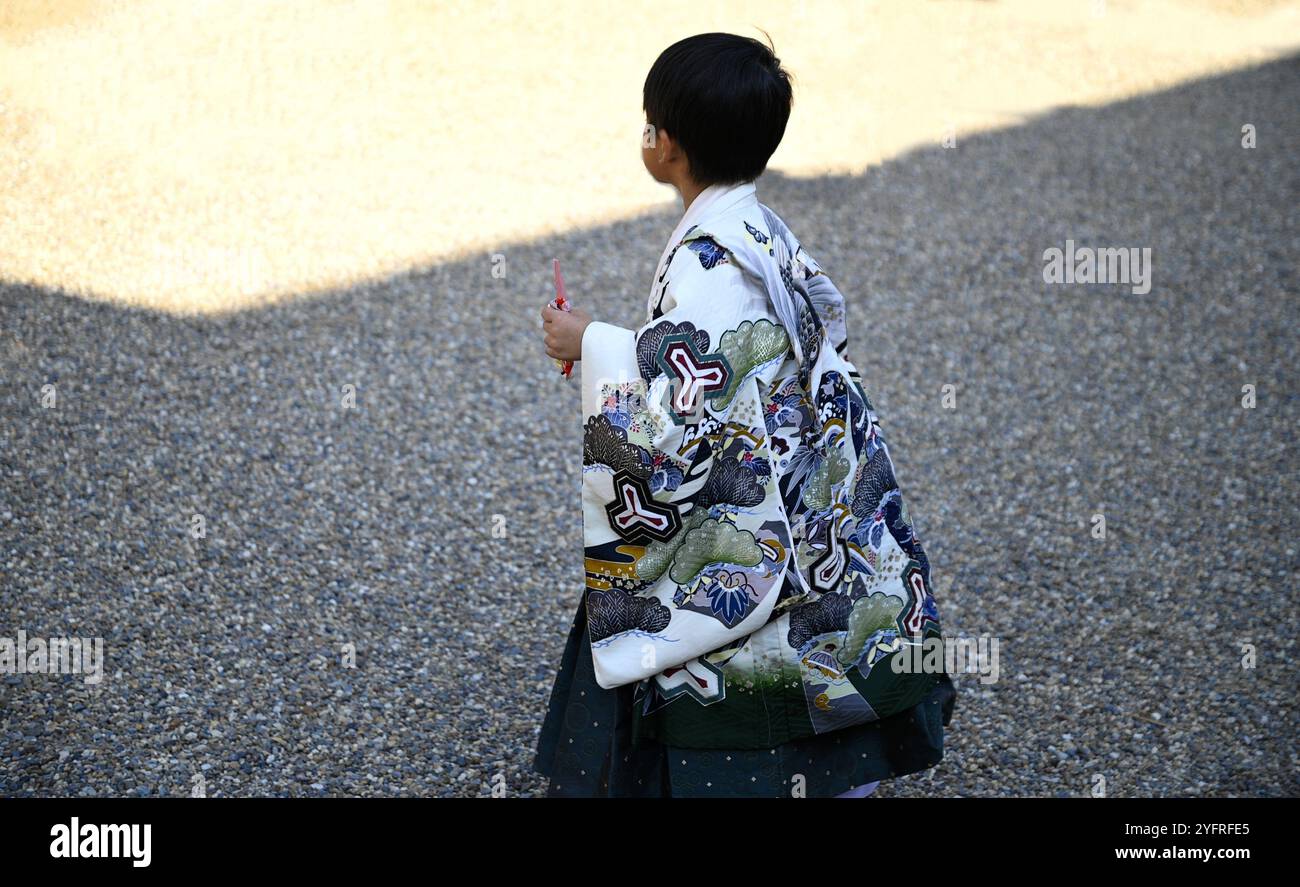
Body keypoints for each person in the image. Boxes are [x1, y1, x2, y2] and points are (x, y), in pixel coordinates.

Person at [536, 32, 956, 798]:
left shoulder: (709, 263)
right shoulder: (760, 229)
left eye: (649, 125)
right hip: (809, 477)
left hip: (759, 504)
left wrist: (595, 345)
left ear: (668, 148)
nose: (647, 136)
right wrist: (617, 346)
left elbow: (687, 412)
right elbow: (739, 360)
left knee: (729, 633)